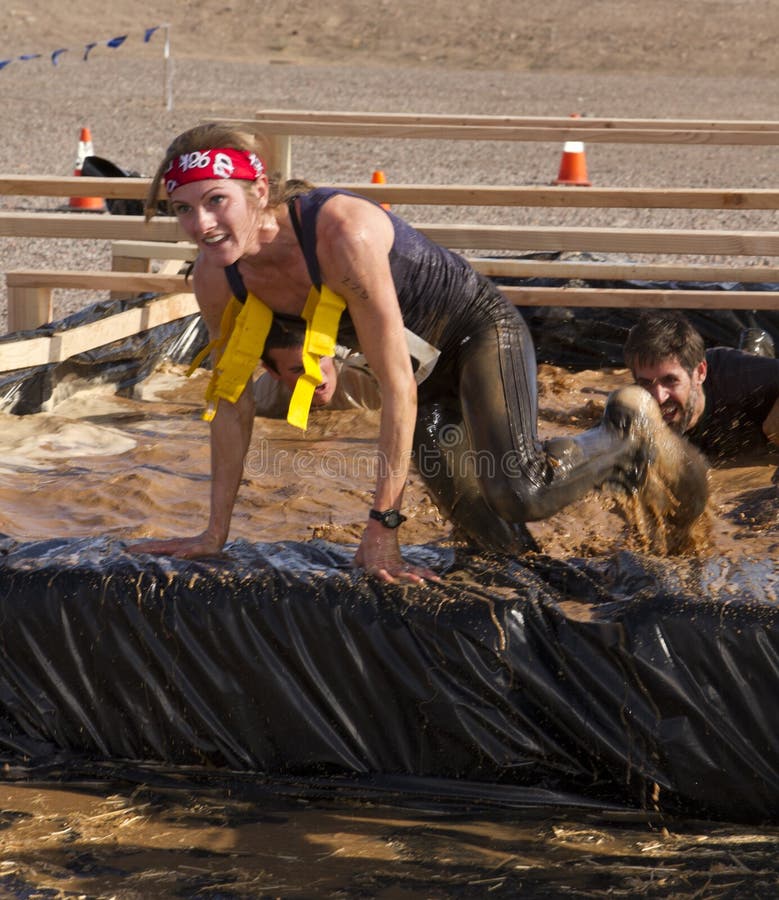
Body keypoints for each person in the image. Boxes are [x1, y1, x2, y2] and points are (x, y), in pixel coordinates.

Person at [132, 122, 676, 583]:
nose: (200, 225)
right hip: (423, 372)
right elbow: (231, 404)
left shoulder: (341, 234)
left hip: (478, 333)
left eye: (215, 201)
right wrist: (213, 534)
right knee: (490, 544)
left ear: (257, 190)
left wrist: (382, 525)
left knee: (518, 491)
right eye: (183, 209)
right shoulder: (215, 279)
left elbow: (395, 385)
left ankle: (625, 434)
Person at [623, 310, 779, 464]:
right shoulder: (634, 412)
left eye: (670, 380)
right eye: (646, 383)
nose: (658, 397)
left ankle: (758, 343)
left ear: (700, 372)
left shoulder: (733, 376)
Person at [253, 319, 380, 418]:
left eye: (321, 358)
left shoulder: (369, 381)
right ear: (272, 371)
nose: (316, 376)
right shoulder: (261, 400)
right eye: (298, 369)